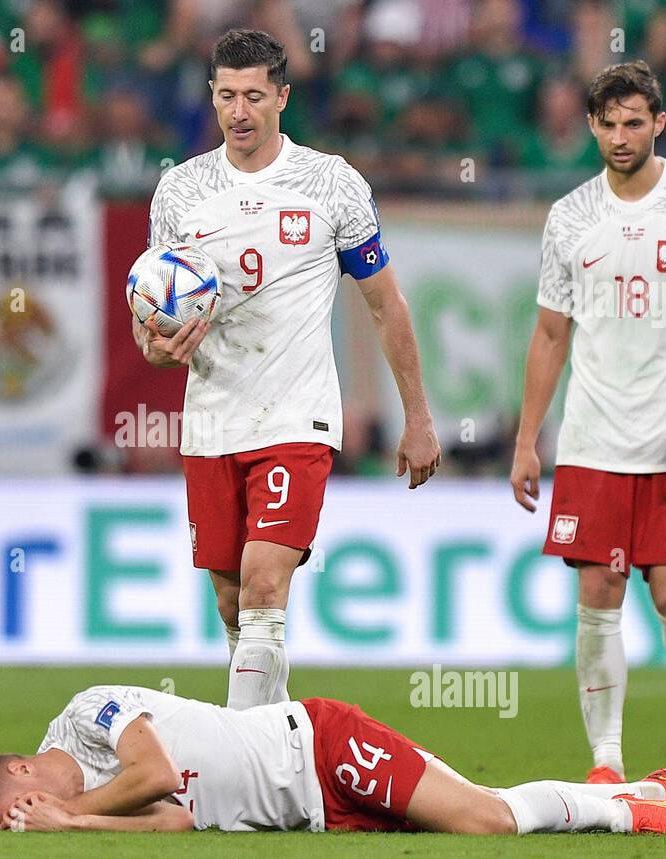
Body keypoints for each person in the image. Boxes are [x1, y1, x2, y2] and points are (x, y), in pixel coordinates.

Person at [136, 29, 440, 710]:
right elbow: (149, 318)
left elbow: (386, 305)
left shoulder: (331, 183)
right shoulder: (179, 192)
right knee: (232, 601)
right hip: (212, 418)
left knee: (266, 584)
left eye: (251, 96)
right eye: (224, 96)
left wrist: (417, 418)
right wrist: (157, 347)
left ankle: (242, 763)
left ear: (282, 96)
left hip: (296, 415)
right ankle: (275, 738)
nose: (237, 111)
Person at [511, 61, 666, 789]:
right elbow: (551, 334)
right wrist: (528, 438)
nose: (620, 136)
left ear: (659, 123)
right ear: (591, 126)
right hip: (591, 440)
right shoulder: (570, 217)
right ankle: (606, 761)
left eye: (634, 122)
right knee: (599, 600)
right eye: (608, 124)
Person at [0, 685, 666, 835]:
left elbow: (159, 775)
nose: (23, 826)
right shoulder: (87, 807)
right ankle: (654, 784)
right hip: (313, 812)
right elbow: (173, 820)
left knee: (488, 823)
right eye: (14, 829)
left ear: (22, 772)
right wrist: (79, 829)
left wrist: (70, 816)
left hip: (319, 745)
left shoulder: (85, 714)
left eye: (15, 812)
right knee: (486, 802)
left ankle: (634, 814)